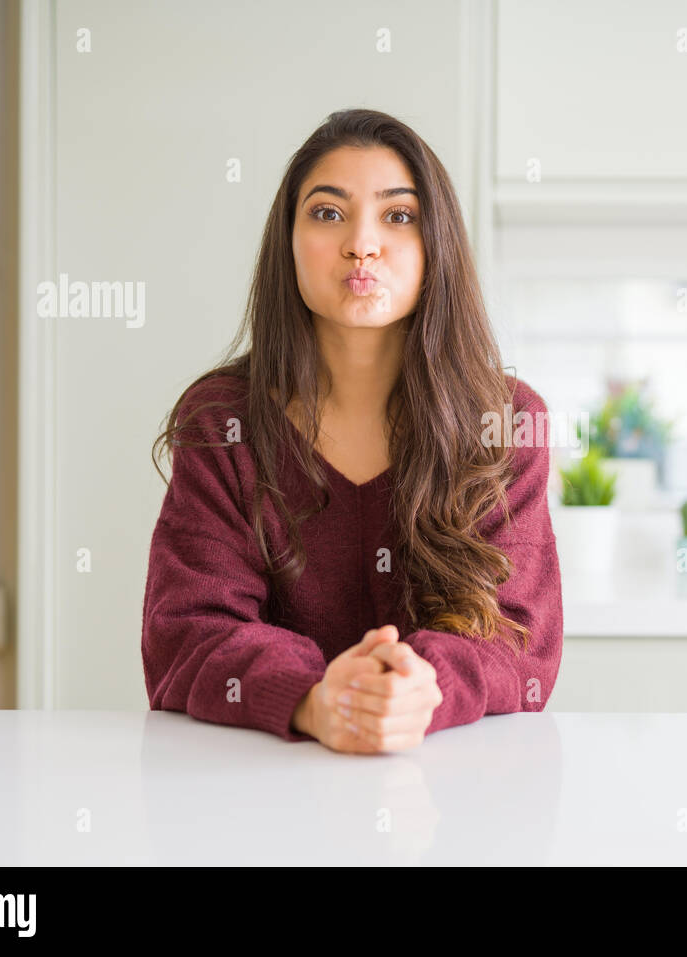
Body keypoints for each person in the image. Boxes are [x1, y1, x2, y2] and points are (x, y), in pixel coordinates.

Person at [142, 109, 562, 754]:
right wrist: (315, 699)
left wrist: (420, 687)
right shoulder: (221, 419)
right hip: (255, 789)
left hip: (460, 791)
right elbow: (187, 631)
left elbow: (522, 640)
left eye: (399, 216)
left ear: (436, 245)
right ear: (287, 241)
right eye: (328, 213)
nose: (361, 244)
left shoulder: (505, 421)